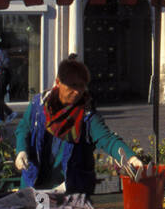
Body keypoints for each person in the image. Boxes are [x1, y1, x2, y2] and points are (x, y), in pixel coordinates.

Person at [14, 57, 143, 194]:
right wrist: (21, 151)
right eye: (72, 85)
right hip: (33, 185)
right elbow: (24, 128)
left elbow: (107, 139)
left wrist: (130, 158)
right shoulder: (38, 106)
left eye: (81, 86)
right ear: (58, 82)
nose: (77, 92)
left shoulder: (87, 116)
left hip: (71, 189)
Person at [0, 41, 16, 124]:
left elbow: (6, 64)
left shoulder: (2, 53)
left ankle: (3, 117)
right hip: (2, 77)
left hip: (4, 78)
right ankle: (6, 115)